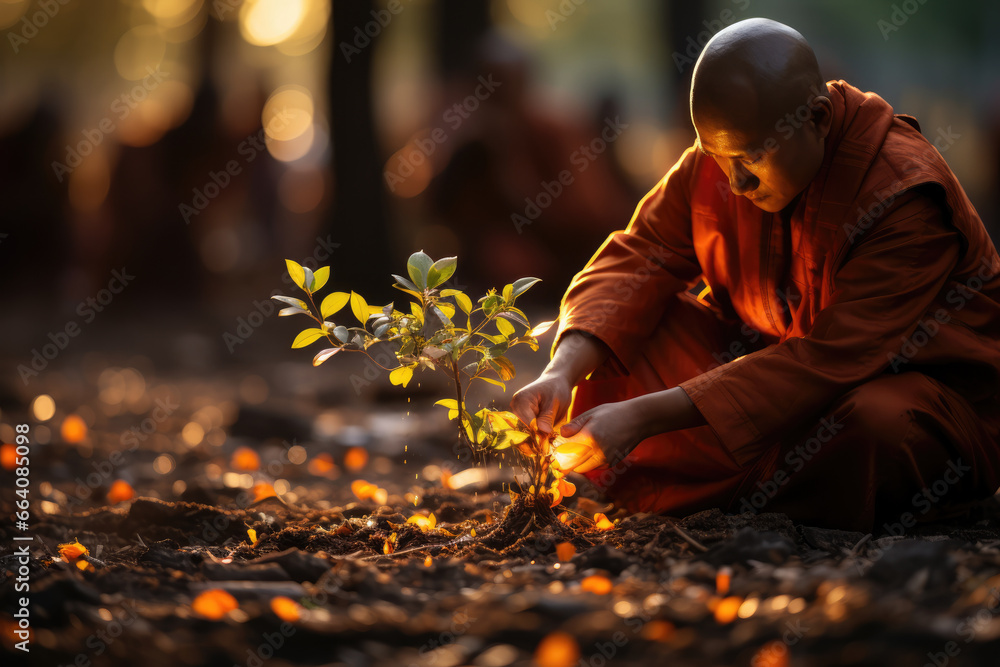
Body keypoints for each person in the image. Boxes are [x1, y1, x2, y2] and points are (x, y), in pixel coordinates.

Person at [510, 18, 1000, 532]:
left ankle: (720, 491)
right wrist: (562, 370)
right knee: (627, 338)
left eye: (751, 158)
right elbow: (641, 254)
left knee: (881, 424)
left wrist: (643, 417)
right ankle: (761, 487)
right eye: (719, 157)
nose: (736, 181)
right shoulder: (718, 160)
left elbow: (829, 359)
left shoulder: (902, 197)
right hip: (757, 389)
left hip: (897, 398)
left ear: (816, 119)